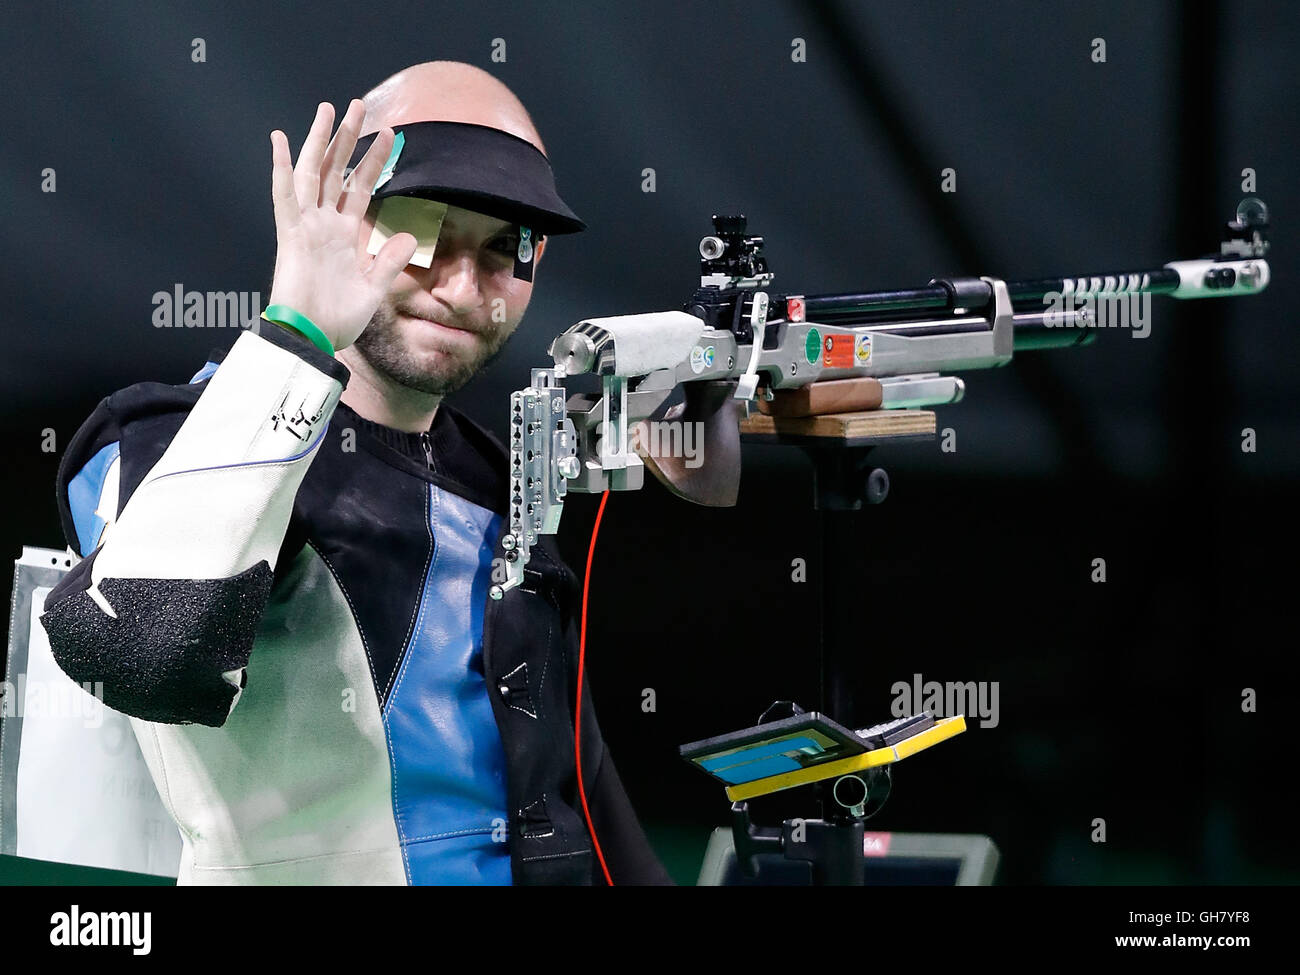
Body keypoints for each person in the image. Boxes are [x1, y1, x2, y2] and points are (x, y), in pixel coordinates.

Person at [39, 61, 672, 886]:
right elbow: (143, 655)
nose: (458, 284)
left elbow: (577, 794)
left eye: (504, 248)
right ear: (343, 214)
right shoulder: (162, 436)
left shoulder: (498, 482)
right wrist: (295, 326)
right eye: (420, 227)